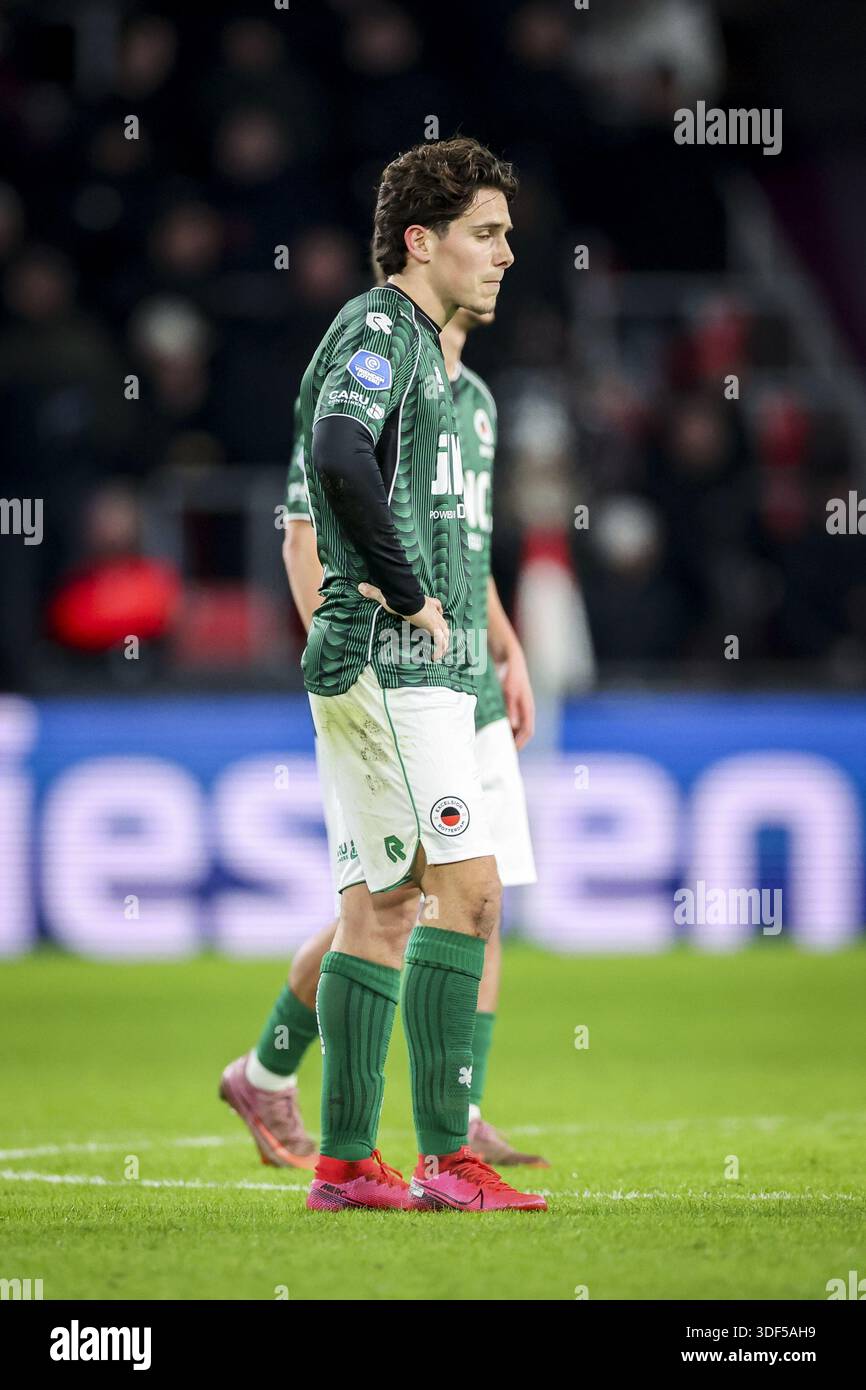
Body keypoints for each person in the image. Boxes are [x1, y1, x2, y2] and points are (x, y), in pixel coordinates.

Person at [227, 136, 545, 1212]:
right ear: (424, 240)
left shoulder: (462, 388)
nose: (507, 254)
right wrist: (387, 612)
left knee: (392, 898)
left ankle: (350, 1158)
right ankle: (439, 1152)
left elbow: (460, 529)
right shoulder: (377, 332)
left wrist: (495, 638)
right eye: (487, 234)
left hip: (444, 667)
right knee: (457, 893)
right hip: (392, 661)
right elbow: (328, 478)